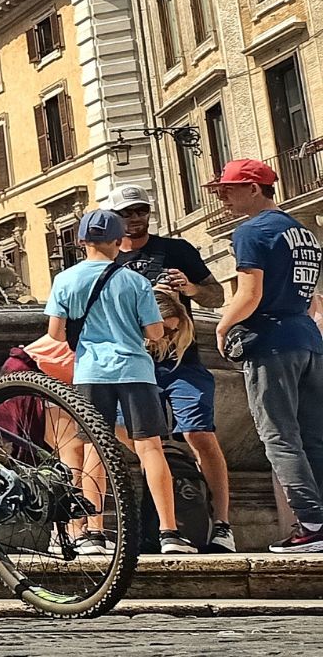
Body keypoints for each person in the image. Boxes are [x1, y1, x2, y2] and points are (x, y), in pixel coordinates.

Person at [45, 209, 194, 554]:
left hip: (91, 373)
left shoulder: (65, 280)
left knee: (95, 448)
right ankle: (170, 533)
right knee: (150, 448)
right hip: (136, 372)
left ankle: (94, 533)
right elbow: (155, 331)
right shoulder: (136, 281)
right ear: (117, 241)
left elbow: (54, 332)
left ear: (82, 241)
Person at [106, 183, 235, 551]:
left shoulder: (177, 250)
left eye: (141, 210)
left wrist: (192, 289)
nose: (135, 218)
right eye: (127, 213)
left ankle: (223, 524)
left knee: (200, 433)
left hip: (181, 360)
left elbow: (218, 295)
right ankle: (170, 477)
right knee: (117, 428)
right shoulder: (108, 261)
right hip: (132, 363)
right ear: (114, 219)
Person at [209, 159, 323, 553]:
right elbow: (310, 298)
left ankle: (310, 523)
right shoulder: (302, 232)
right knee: (314, 437)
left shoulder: (252, 232)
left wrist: (223, 327)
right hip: (307, 339)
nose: (222, 196)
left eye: (229, 188)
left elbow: (249, 294)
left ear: (254, 188)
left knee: (279, 436)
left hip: (270, 340)